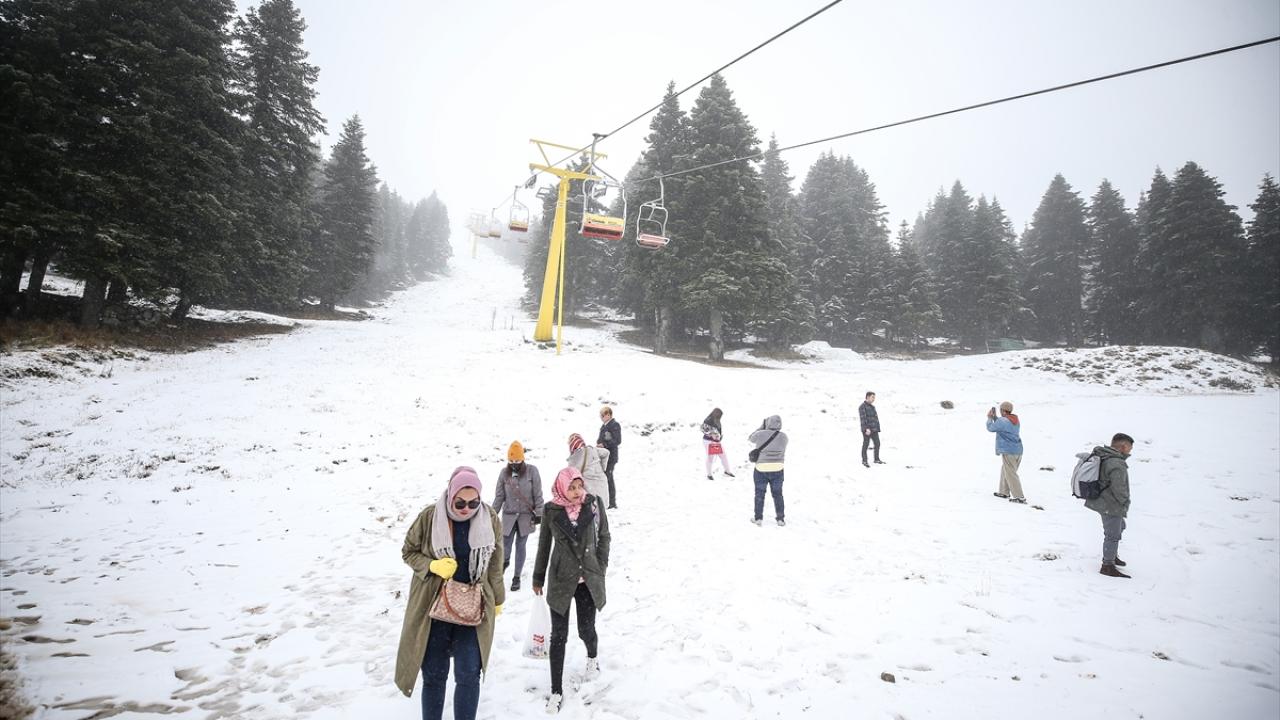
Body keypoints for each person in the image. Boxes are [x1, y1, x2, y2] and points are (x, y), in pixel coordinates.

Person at [395, 467, 505, 720]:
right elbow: (408, 551)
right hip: (434, 610)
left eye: (473, 502)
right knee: (434, 674)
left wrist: (498, 599)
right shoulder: (430, 517)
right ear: (451, 494)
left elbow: (496, 564)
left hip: (473, 609)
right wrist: (431, 566)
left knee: (468, 675)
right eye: (460, 502)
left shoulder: (489, 518)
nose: (466, 508)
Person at [533, 467, 611, 714]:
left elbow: (605, 536)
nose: (577, 492)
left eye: (580, 485)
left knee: (586, 629)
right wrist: (537, 576)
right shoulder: (551, 510)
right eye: (572, 487)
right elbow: (544, 544)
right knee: (558, 637)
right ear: (561, 488)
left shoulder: (594, 504)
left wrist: (600, 565)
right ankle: (556, 691)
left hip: (588, 578)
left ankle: (592, 657)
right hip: (561, 580)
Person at [492, 441, 543, 592]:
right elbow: (499, 497)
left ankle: (516, 577)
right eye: (511, 461)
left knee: (521, 546)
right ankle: (504, 564)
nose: (514, 464)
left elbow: (538, 494)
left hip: (526, 518)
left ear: (523, 459)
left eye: (517, 461)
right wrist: (492, 515)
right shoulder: (504, 473)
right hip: (508, 517)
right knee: (505, 546)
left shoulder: (532, 472)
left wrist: (539, 513)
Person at [1086, 433, 1135, 578]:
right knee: (1112, 535)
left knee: (1120, 527)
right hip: (1111, 504)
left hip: (1103, 501)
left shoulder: (1104, 455)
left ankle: (1112, 554)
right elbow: (1120, 488)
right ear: (1123, 446)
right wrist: (1125, 502)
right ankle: (1107, 565)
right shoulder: (1116, 463)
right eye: (1129, 449)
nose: (1129, 452)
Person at [748, 415, 789, 526]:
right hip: (778, 468)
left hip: (761, 468)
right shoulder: (784, 437)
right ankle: (780, 519)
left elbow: (750, 438)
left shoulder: (760, 434)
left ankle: (758, 518)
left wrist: (761, 427)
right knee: (778, 494)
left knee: (759, 494)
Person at [986, 401, 1026, 504]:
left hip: (1009, 451)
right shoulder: (1014, 420)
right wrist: (996, 418)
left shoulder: (1003, 421)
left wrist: (990, 418)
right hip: (1018, 450)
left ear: (1003, 410)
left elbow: (991, 428)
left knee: (1011, 473)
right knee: (1006, 470)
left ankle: (1019, 497)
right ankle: (1004, 492)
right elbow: (1002, 425)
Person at [567, 433, 610, 505]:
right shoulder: (593, 449)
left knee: (593, 511)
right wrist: (602, 468)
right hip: (602, 485)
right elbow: (606, 452)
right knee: (602, 510)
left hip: (590, 490)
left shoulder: (574, 458)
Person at [596, 406, 622, 509]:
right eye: (601, 415)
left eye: (603, 415)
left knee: (609, 478)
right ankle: (608, 501)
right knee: (606, 478)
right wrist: (599, 444)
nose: (602, 417)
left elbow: (617, 440)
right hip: (603, 456)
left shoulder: (615, 425)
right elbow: (600, 439)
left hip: (611, 457)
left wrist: (605, 444)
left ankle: (612, 502)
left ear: (609, 415)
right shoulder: (603, 426)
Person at [701, 407, 736, 481]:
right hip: (709, 441)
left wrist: (718, 437)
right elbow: (703, 429)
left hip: (716, 441)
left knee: (723, 455)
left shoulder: (716, 420)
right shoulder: (708, 420)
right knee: (710, 457)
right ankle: (709, 475)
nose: (720, 417)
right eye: (719, 415)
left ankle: (727, 471)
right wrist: (711, 434)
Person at [858, 391, 884, 467]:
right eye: (873, 397)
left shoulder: (872, 407)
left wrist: (877, 428)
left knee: (877, 443)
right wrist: (866, 428)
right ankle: (864, 461)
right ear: (868, 397)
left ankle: (876, 459)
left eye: (874, 397)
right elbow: (863, 419)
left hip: (874, 429)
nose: (874, 399)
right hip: (867, 430)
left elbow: (875, 418)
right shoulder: (862, 407)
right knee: (866, 444)